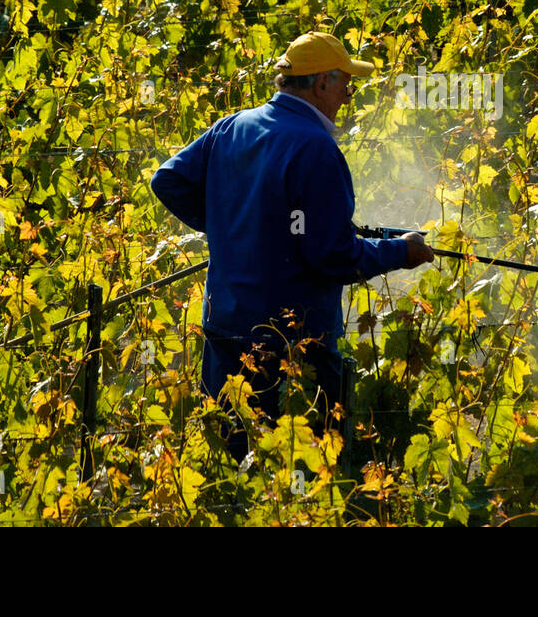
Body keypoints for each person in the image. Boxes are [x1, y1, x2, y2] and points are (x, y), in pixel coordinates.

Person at [148, 31, 434, 458]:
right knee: (302, 468)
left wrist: (237, 229)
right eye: (345, 85)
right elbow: (333, 256)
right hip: (292, 346)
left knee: (230, 462)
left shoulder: (233, 126)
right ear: (320, 84)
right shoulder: (316, 148)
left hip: (224, 329)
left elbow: (167, 179)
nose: (348, 96)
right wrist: (401, 252)